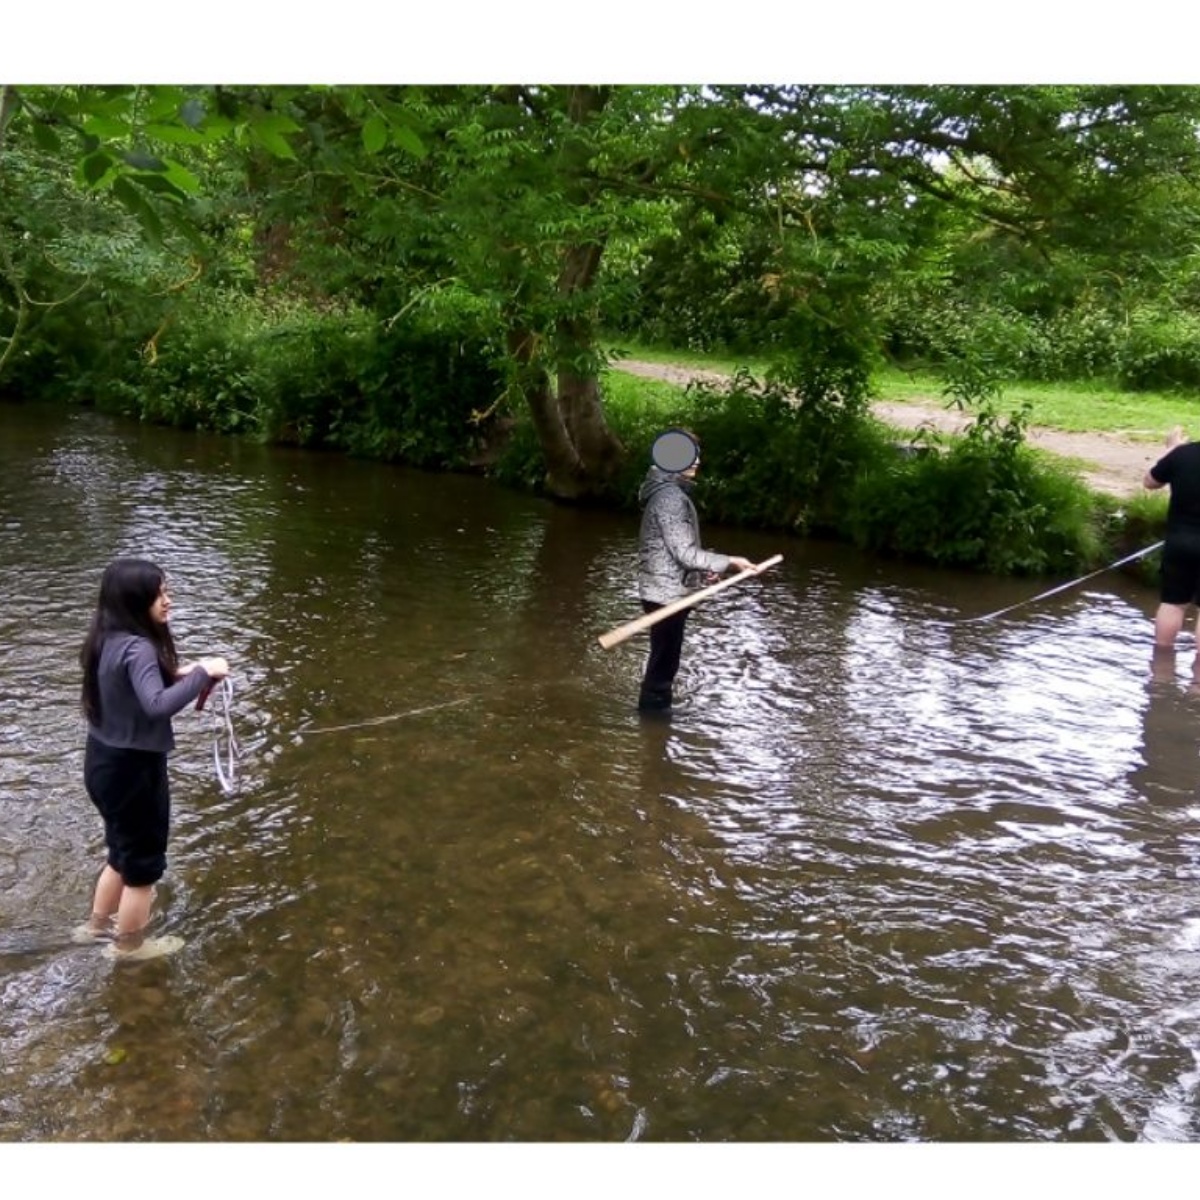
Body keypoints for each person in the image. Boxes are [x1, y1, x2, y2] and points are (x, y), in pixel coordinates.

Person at [77, 557, 229, 960]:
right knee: (143, 872)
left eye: (167, 591)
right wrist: (203, 674)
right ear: (134, 599)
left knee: (119, 854)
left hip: (102, 764)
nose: (168, 600)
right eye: (158, 593)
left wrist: (188, 672)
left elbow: (139, 686)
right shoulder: (141, 646)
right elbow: (157, 705)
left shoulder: (105, 639)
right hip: (133, 772)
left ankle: (94, 929)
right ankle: (130, 949)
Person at [636, 429, 754, 713]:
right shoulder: (670, 499)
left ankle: (653, 725)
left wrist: (704, 572)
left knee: (665, 658)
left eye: (697, 455)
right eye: (690, 455)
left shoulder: (668, 493)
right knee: (664, 665)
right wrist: (730, 561)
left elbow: (678, 551)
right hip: (665, 593)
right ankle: (653, 722)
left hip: (666, 588)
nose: (697, 461)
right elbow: (684, 553)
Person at [1144, 425, 1200, 651]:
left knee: (1173, 604)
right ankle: (1197, 682)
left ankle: (1160, 676)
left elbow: (1150, 482)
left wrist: (1172, 450)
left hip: (1179, 543)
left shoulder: (1184, 454)